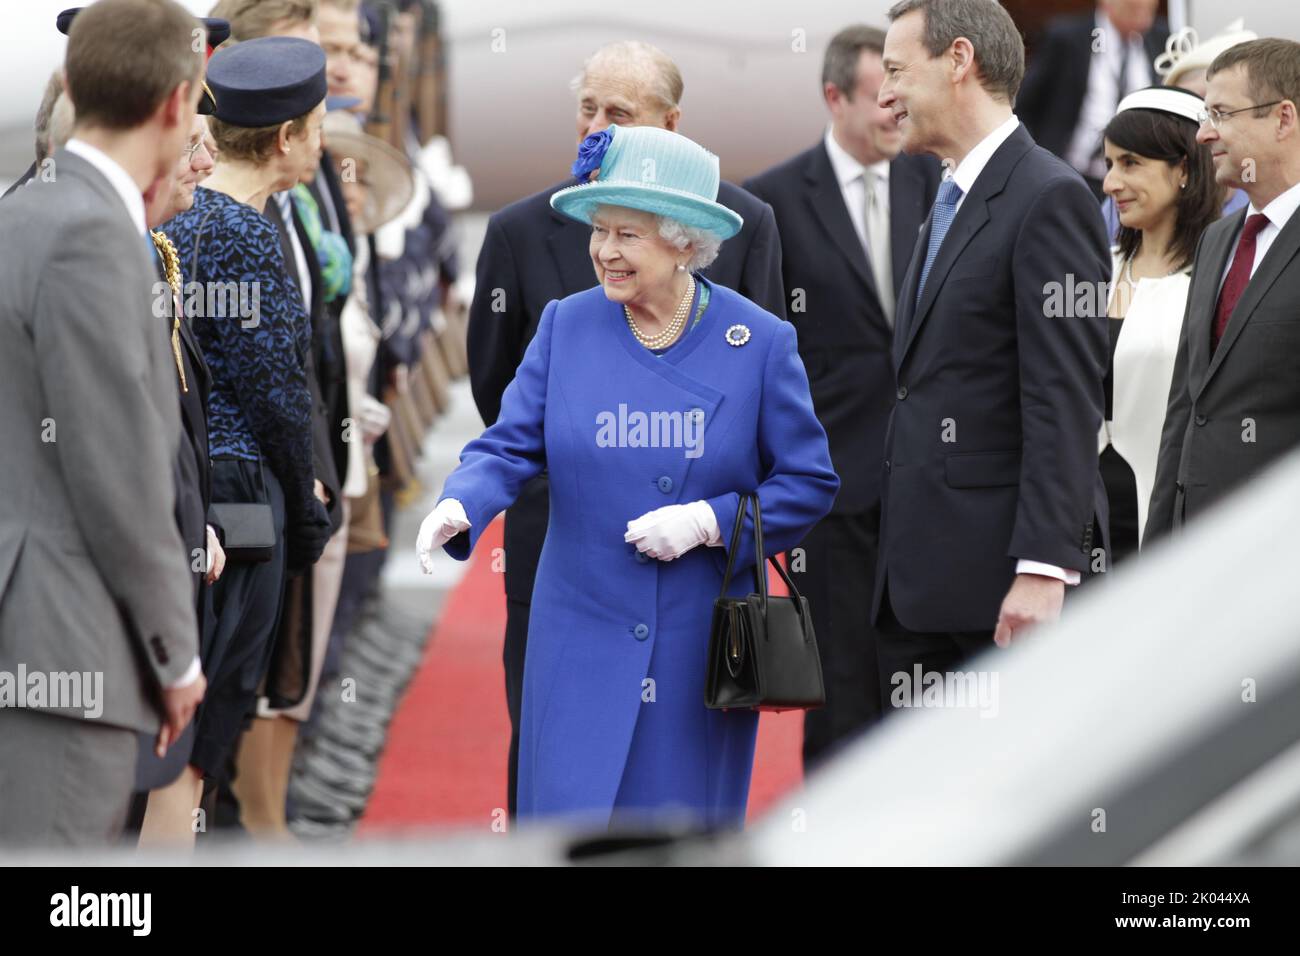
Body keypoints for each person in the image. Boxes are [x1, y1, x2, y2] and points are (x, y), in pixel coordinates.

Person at [419, 124, 837, 827]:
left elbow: (809, 480)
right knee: (567, 825)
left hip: (694, 642)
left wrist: (708, 521)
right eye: (598, 230)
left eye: (628, 236)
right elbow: (509, 444)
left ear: (684, 243)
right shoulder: (566, 325)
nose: (604, 252)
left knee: (670, 835)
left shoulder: (759, 342)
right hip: (577, 629)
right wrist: (462, 502)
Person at [468, 39, 785, 815]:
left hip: (696, 583)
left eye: (619, 113)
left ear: (670, 124)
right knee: (553, 761)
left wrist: (707, 516)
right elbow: (500, 393)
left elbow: (768, 412)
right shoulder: (519, 230)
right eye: (587, 109)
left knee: (674, 787)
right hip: (563, 553)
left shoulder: (746, 225)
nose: (596, 128)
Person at [0, 0, 207, 847]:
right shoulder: (94, 232)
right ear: (173, 102)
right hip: (65, 649)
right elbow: (119, 477)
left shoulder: (23, 211)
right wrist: (178, 657)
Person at [872, 0, 1109, 690]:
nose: (883, 93)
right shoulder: (947, 197)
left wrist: (1042, 568)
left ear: (958, 61)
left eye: (894, 70)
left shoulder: (1049, 198)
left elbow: (1064, 396)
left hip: (999, 594)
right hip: (921, 589)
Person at [743, 25, 939, 769]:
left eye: (900, 92)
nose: (896, 109)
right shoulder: (773, 203)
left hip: (929, 481)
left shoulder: (936, 186)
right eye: (878, 94)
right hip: (826, 489)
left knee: (925, 682)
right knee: (838, 687)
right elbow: (760, 355)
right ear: (834, 98)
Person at [163, 35, 332, 825]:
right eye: (320, 125)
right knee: (205, 737)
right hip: (243, 506)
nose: (324, 143)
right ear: (286, 138)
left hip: (198, 493)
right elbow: (277, 397)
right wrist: (306, 506)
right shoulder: (244, 232)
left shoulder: (181, 216)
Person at [1146, 39, 1300, 541]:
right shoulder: (1216, 240)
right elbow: (1185, 413)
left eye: (1220, 113)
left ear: (1283, 118)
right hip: (1198, 549)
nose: (1204, 134)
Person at [1098, 87, 1220, 565]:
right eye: (1108, 164)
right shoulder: (1092, 272)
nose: (1110, 182)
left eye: (1130, 163)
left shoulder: (1215, 280)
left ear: (1185, 169)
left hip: (1168, 527)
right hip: (1078, 522)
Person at [1100, 21, 1257, 239]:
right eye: (1191, 111)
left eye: (1219, 111)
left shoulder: (1262, 200)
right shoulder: (1124, 203)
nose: (1205, 129)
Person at [1018, 0, 1169, 197]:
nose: (1144, 4)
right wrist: (1035, 166)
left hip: (1136, 183)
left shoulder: (1162, 39)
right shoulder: (1067, 38)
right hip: (1071, 177)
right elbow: (1024, 108)